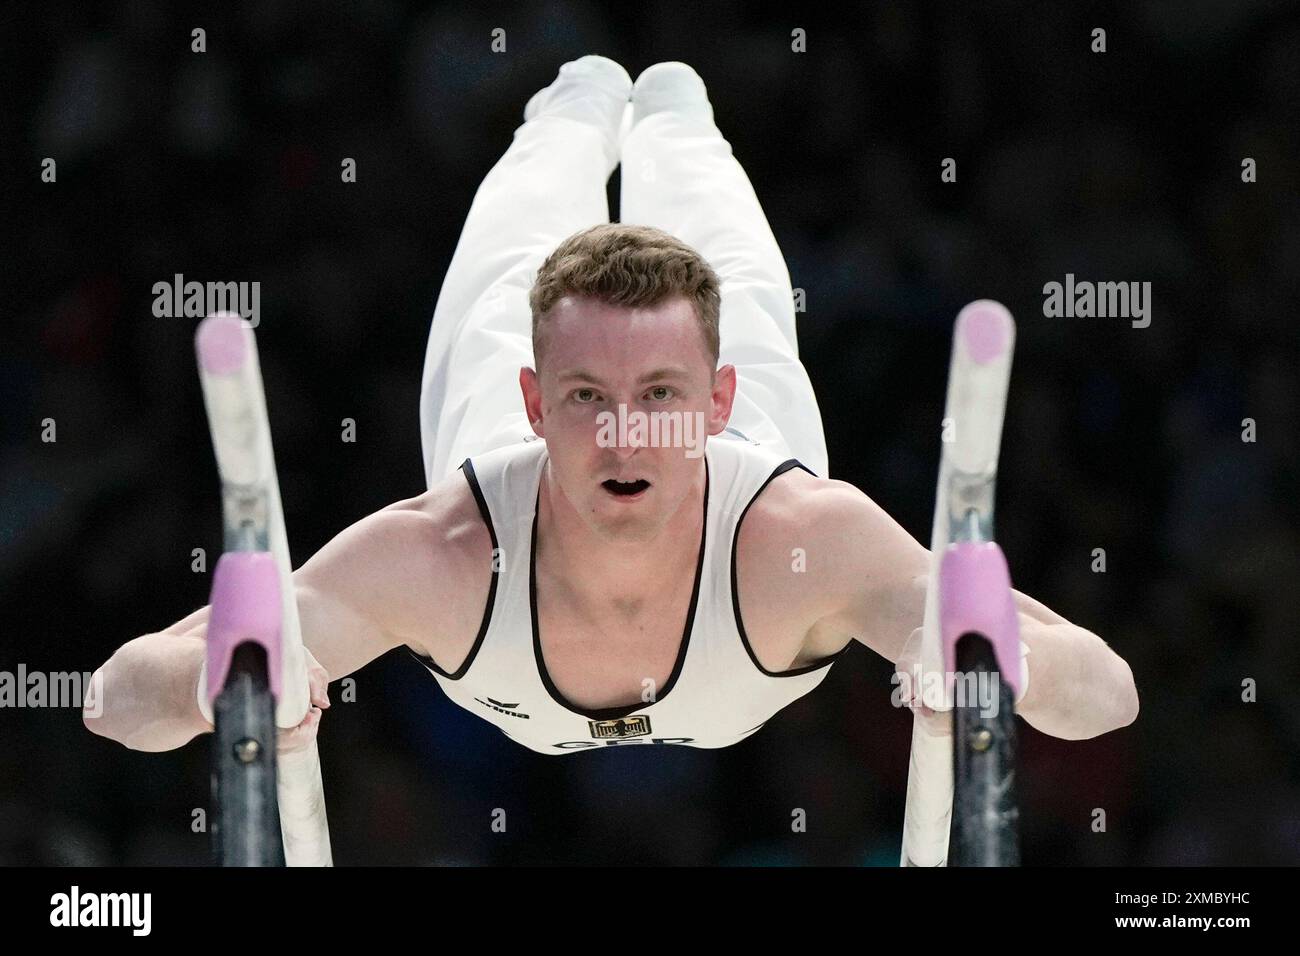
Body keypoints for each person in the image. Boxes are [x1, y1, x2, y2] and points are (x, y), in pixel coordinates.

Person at [86, 57, 1138, 759]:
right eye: (586, 396)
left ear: (714, 405)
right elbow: (113, 693)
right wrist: (224, 675)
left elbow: (1110, 691)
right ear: (536, 404)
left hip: (750, 481)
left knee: (736, 280)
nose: (625, 429)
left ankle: (675, 107)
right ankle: (576, 102)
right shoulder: (441, 553)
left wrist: (1004, 661)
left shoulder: (800, 541)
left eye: (662, 396)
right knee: (513, 262)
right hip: (508, 479)